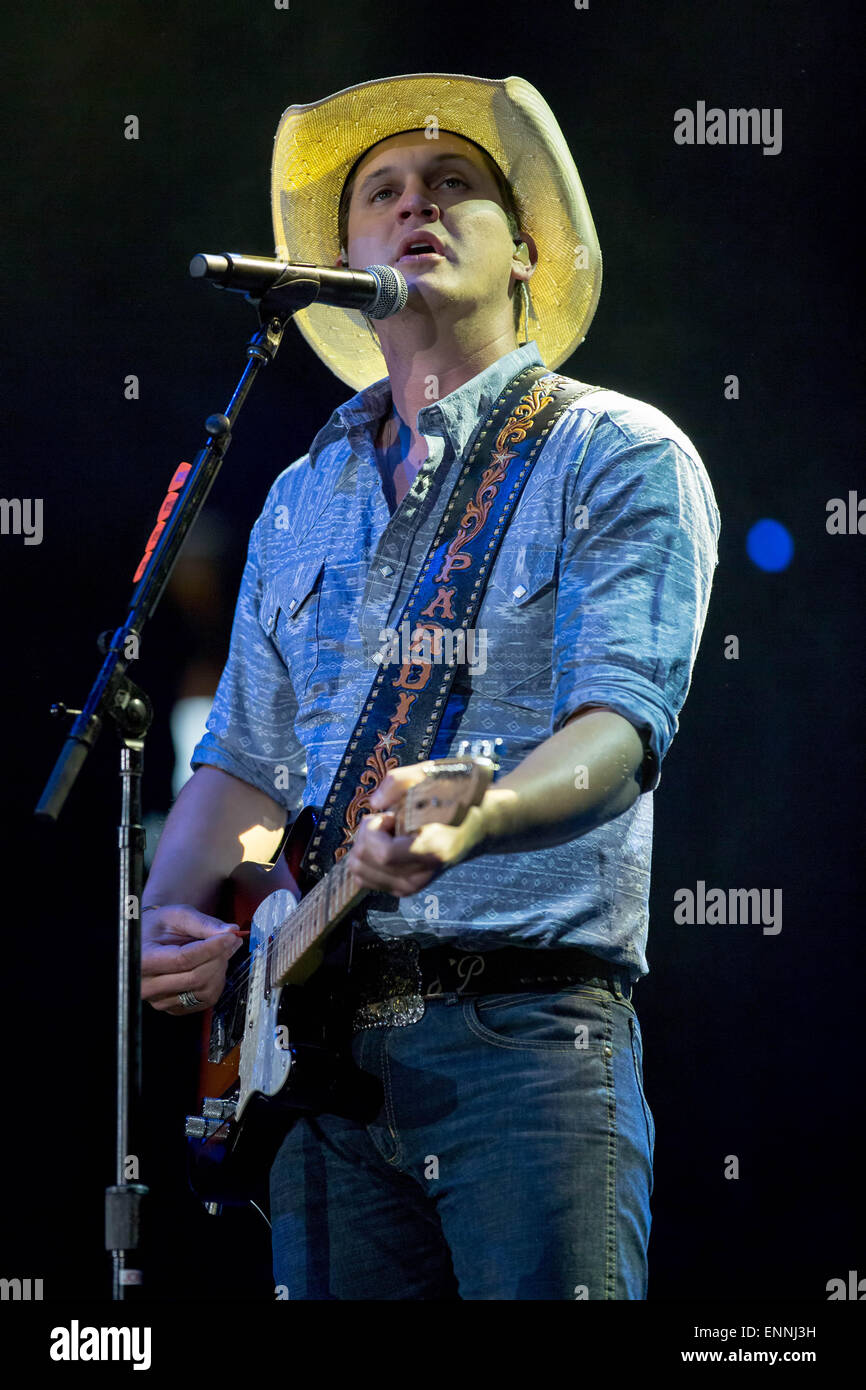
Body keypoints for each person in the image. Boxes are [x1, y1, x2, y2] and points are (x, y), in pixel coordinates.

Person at [141, 73, 720, 1300]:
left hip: (524, 1040)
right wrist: (171, 909)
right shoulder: (306, 493)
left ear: (522, 254)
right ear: (345, 256)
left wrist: (486, 812)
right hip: (313, 1055)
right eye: (383, 193)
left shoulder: (613, 450)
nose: (418, 206)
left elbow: (619, 725)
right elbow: (245, 763)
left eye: (456, 185)